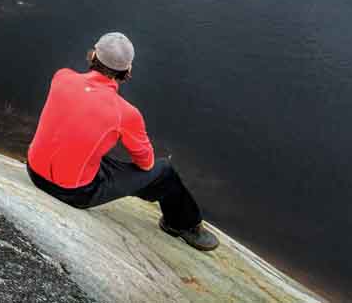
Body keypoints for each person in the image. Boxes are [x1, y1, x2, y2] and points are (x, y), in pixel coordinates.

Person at [25, 32, 219, 251]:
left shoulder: (62, 76)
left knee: (82, 143)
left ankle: (164, 206)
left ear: (93, 55)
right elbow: (146, 164)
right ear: (128, 71)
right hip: (73, 192)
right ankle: (181, 225)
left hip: (33, 170)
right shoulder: (125, 113)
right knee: (164, 171)